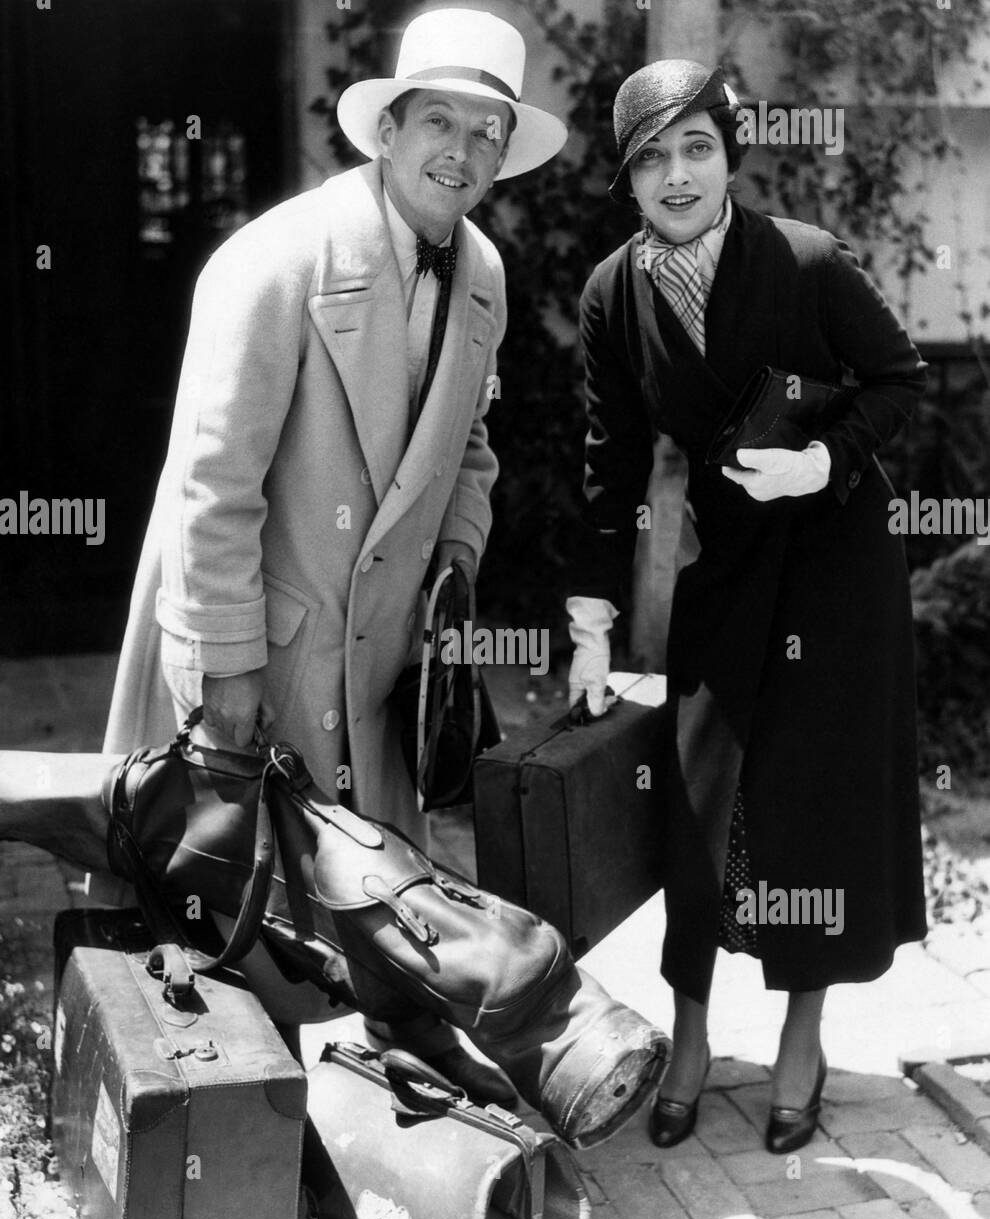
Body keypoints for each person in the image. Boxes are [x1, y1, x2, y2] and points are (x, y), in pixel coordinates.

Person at [99, 8, 567, 1103]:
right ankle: (229, 1153)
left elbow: (474, 447)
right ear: (388, 130)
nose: (460, 150)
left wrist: (453, 571)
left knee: (357, 895)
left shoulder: (484, 271)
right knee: (230, 896)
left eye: (486, 131)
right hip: (266, 642)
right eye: (438, 121)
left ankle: (362, 1130)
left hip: (382, 657)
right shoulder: (274, 263)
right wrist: (227, 673)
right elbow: (212, 490)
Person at [567, 60, 928, 1152]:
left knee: (813, 802)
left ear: (729, 154)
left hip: (836, 572)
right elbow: (609, 458)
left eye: (696, 149)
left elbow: (901, 379)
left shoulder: (808, 260)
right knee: (700, 798)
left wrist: (824, 461)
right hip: (724, 574)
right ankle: (688, 1026)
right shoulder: (612, 294)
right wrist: (588, 618)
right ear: (626, 179)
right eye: (650, 159)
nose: (676, 176)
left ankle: (802, 1039)